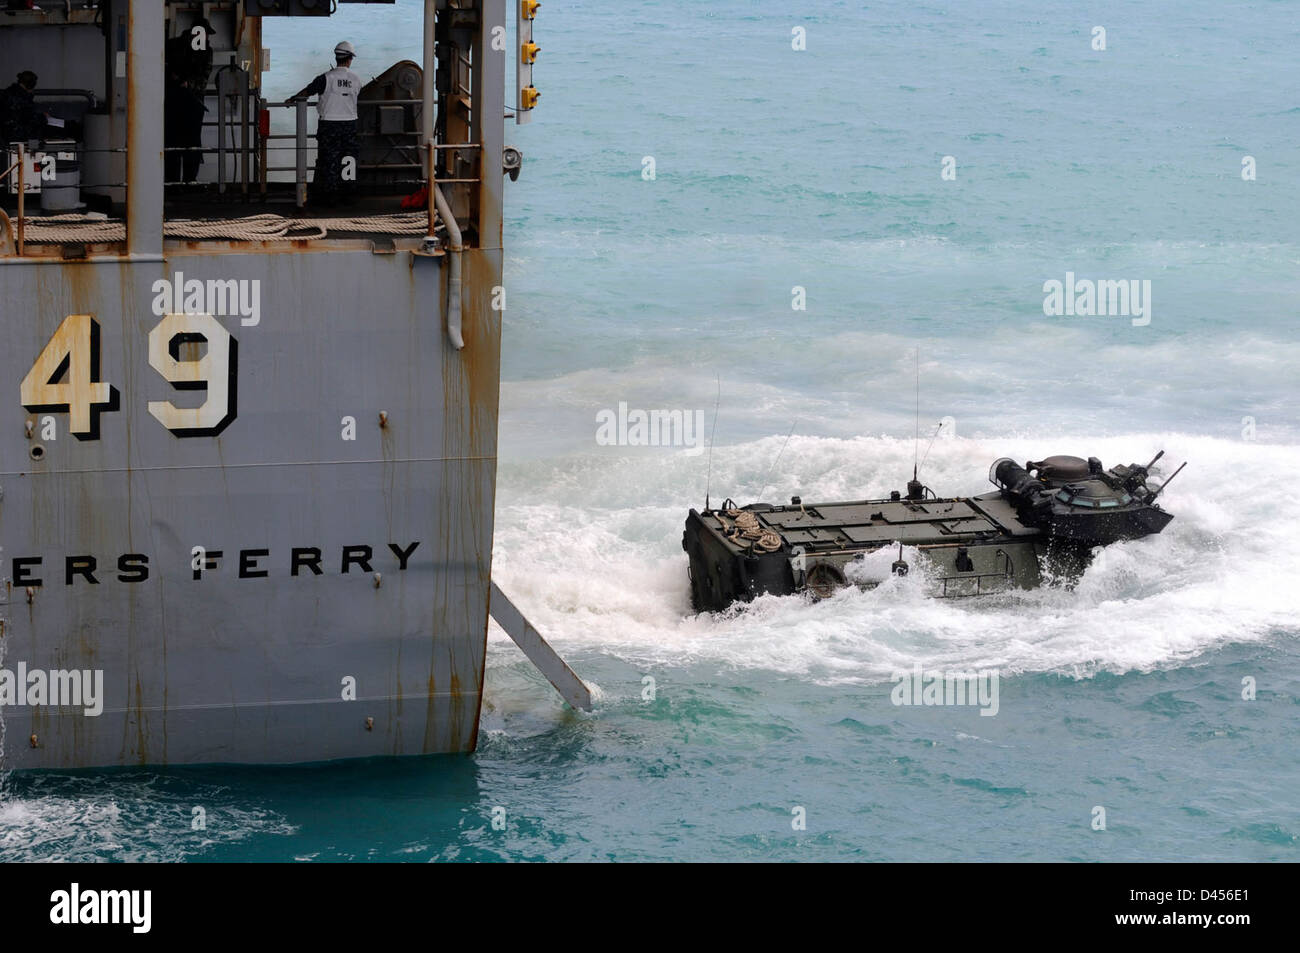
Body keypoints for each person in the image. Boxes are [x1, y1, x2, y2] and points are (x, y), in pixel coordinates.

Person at [301, 41, 361, 207]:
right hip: (350, 123)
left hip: (329, 124)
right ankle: (348, 194)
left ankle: (330, 195)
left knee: (329, 158)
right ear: (350, 59)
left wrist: (293, 98)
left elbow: (308, 91)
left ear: (336, 57)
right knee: (349, 158)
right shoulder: (356, 79)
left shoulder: (325, 78)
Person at [0, 71, 49, 146]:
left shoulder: (9, 92)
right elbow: (28, 117)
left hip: (7, 132)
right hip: (17, 133)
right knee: (35, 130)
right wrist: (43, 117)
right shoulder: (22, 97)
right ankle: (33, 151)